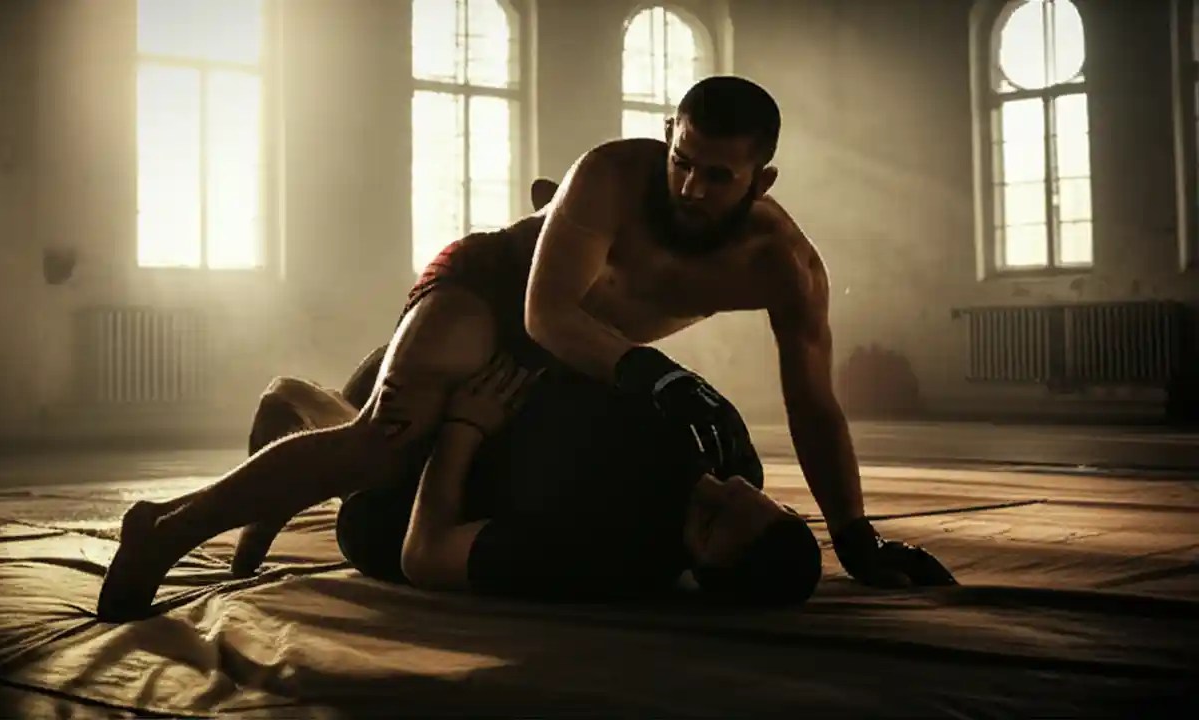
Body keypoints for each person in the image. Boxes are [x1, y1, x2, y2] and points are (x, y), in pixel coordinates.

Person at [97, 75, 955, 622]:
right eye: (682, 160)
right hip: (496, 289)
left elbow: (814, 403)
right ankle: (162, 531)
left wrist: (854, 538)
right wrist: (657, 375)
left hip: (580, 354)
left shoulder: (787, 268)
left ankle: (297, 408)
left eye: (717, 176)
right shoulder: (613, 174)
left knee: (406, 442)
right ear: (668, 138)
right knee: (382, 443)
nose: (690, 187)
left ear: (761, 180)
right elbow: (545, 313)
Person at [244, 352, 822, 604]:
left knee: (285, 398)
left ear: (699, 570)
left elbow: (424, 554)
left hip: (403, 501)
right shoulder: (727, 457)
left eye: (709, 520)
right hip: (481, 408)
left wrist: (464, 429)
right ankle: (295, 473)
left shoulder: (606, 555)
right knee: (401, 355)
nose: (711, 489)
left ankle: (278, 491)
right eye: (741, 495)